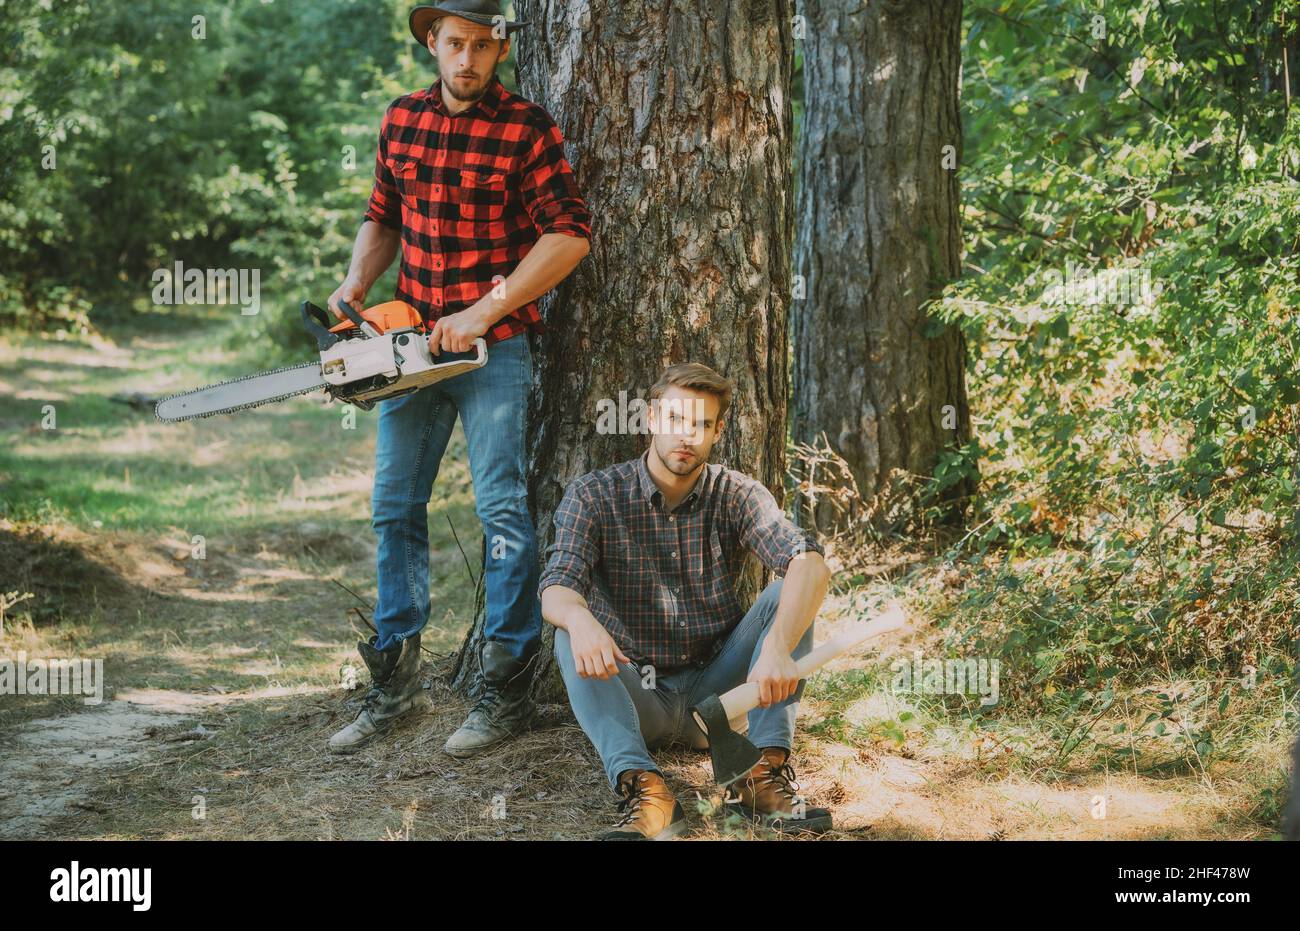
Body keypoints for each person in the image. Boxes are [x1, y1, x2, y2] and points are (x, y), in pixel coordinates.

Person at [327, 0, 592, 757]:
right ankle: (393, 686)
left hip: (491, 349)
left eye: (481, 44)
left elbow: (570, 232)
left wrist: (484, 311)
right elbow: (384, 216)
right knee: (393, 507)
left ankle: (504, 692)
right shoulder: (402, 120)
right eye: (454, 44)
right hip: (408, 347)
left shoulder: (526, 127)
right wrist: (354, 285)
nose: (468, 58)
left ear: (501, 47)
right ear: (432, 45)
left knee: (502, 511)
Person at [539, 363, 835, 839]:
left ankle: (761, 775)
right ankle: (648, 791)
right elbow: (557, 584)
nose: (687, 436)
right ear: (652, 418)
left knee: (788, 591)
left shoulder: (736, 493)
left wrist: (778, 646)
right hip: (637, 693)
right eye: (676, 420)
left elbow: (810, 563)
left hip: (722, 696)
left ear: (718, 431)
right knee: (568, 628)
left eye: (701, 425)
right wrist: (578, 617)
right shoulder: (594, 494)